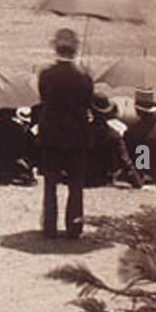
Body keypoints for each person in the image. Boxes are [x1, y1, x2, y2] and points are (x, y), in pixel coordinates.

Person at [36, 28, 93, 238]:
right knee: (76, 184)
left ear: (56, 48)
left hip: (51, 133)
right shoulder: (84, 77)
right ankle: (74, 226)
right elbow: (88, 103)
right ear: (75, 50)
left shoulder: (46, 74)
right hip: (77, 135)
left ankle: (49, 226)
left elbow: (43, 99)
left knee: (50, 184)